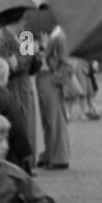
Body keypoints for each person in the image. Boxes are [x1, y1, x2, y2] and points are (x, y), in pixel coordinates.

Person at [0, 8, 38, 170]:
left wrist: (17, 62)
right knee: (15, 123)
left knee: (28, 122)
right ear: (15, 18)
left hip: (24, 84)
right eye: (23, 17)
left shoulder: (26, 35)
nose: (25, 21)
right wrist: (15, 63)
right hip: (10, 85)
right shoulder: (0, 38)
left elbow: (28, 63)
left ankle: (28, 161)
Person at [0, 56, 34, 173]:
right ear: (5, 76)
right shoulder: (8, 99)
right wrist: (26, 151)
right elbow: (17, 126)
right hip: (8, 153)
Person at [35, 23, 70, 170]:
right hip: (37, 76)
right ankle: (48, 153)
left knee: (55, 118)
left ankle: (59, 156)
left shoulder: (59, 36)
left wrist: (57, 78)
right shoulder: (29, 34)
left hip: (49, 77)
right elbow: (26, 58)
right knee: (45, 119)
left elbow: (67, 64)